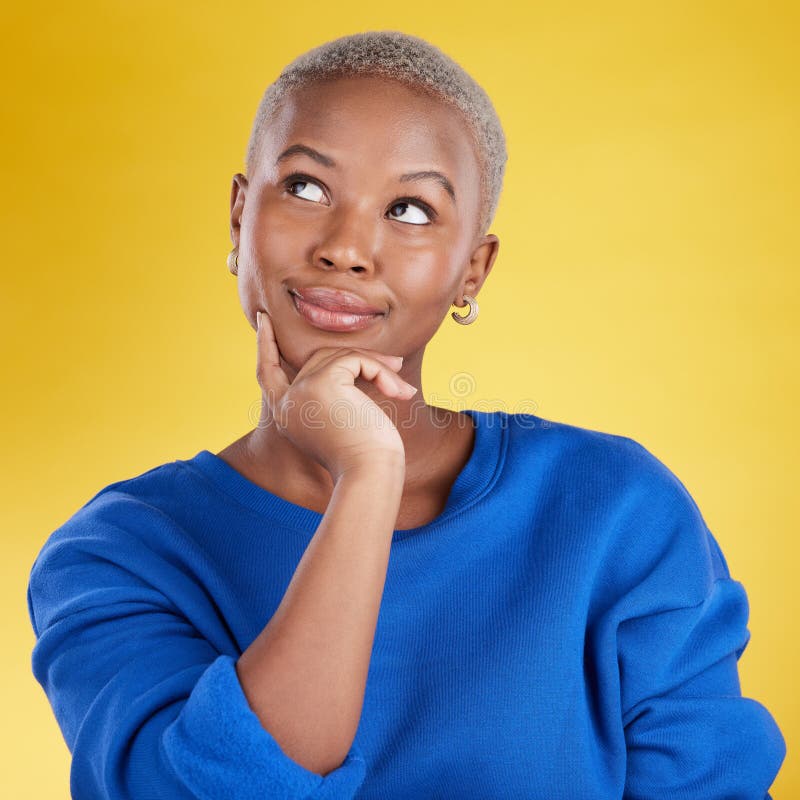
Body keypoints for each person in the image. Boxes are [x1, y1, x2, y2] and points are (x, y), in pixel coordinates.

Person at [26, 30, 785, 799]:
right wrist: (366, 477)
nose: (347, 248)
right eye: (306, 188)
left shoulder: (615, 511)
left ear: (471, 272)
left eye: (411, 209)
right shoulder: (118, 555)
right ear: (238, 215)